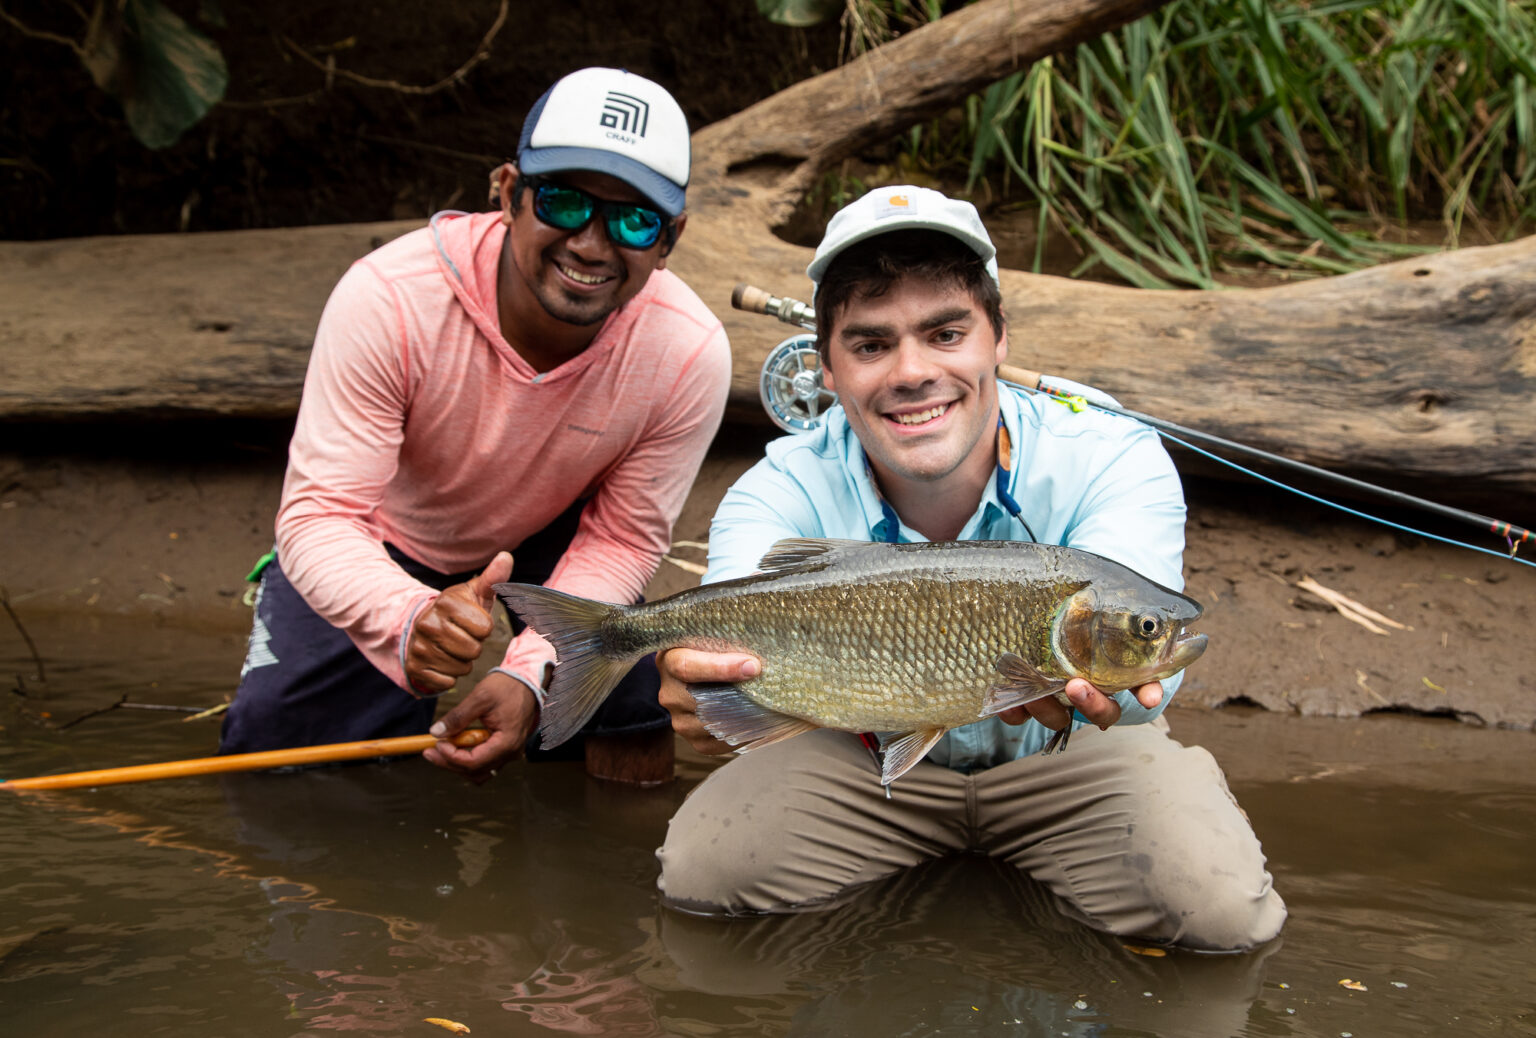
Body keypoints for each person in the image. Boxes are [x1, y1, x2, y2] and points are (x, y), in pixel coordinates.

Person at [652, 186, 1285, 951]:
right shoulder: (775, 489)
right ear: (826, 369)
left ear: (999, 339)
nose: (912, 372)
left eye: (945, 333)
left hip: (1070, 755)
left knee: (1218, 914)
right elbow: (725, 664)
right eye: (871, 344)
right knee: (703, 877)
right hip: (853, 754)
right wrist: (709, 695)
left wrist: (1121, 689)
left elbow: (1150, 683)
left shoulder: (1113, 453)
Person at [222, 67, 732, 784]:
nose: (590, 244)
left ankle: (599, 857)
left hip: (554, 537)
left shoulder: (688, 352)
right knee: (280, 767)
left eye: (633, 219)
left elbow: (622, 538)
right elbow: (318, 515)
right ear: (507, 194)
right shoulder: (389, 299)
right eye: (562, 201)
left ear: (670, 239)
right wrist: (407, 619)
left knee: (627, 708)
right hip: (384, 534)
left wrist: (530, 675)